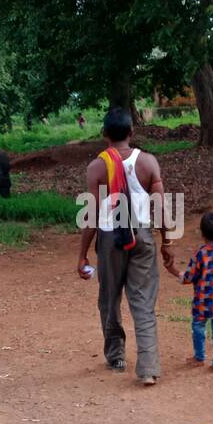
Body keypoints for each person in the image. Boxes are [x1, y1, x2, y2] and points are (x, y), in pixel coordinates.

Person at [76, 107, 174, 386]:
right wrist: (166, 242)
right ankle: (148, 368)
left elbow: (92, 216)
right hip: (142, 236)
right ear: (132, 132)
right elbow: (161, 208)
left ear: (104, 134)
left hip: (110, 240)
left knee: (109, 298)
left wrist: (83, 253)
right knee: (142, 301)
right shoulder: (149, 163)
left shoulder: (97, 167)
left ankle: (116, 356)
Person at [167, 212, 213, 373]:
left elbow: (189, 277)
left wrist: (174, 271)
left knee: (198, 328)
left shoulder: (200, 254)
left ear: (202, 233)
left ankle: (199, 357)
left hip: (202, 303)